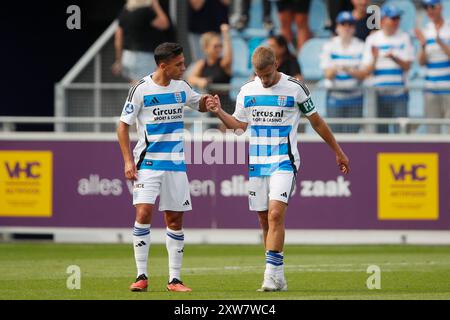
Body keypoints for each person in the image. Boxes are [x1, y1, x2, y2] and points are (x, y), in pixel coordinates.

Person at [206, 46, 350, 291]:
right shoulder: (247, 91)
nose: (263, 80)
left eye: (267, 75)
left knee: (275, 215)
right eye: (258, 75)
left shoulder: (295, 88)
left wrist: (338, 150)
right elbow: (239, 127)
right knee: (264, 220)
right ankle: (279, 277)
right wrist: (219, 111)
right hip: (257, 162)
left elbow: (317, 122)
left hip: (284, 161)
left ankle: (269, 276)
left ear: (276, 66)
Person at [117, 43, 212, 292]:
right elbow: (123, 125)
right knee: (143, 213)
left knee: (174, 219)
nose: (183, 67)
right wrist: (128, 160)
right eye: (179, 64)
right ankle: (141, 276)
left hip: (176, 164)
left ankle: (174, 280)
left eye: (183, 62)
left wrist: (208, 102)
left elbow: (197, 104)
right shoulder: (141, 89)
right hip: (148, 162)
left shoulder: (182, 87)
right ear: (163, 65)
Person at [360, 4, 414, 133]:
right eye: (393, 18)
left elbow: (407, 66)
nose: (396, 22)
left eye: (398, 18)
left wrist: (394, 58)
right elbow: (366, 70)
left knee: (401, 132)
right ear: (383, 20)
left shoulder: (404, 38)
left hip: (399, 95)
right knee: (380, 133)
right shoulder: (372, 39)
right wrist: (375, 58)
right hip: (378, 95)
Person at [320, 11, 365, 133]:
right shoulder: (329, 45)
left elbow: (363, 74)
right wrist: (348, 68)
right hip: (335, 97)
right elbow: (328, 74)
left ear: (354, 28)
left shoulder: (361, 46)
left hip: (355, 97)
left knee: (353, 135)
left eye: (350, 24)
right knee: (335, 135)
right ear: (337, 27)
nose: (347, 28)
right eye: (343, 24)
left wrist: (345, 68)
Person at [112, 0, 170, 82]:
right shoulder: (146, 12)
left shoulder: (124, 12)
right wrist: (156, 6)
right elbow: (165, 24)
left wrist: (118, 60)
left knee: (136, 87)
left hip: (127, 56)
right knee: (145, 88)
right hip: (143, 57)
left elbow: (118, 38)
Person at [415, 0, 450, 134]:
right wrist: (423, 46)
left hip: (448, 89)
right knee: (432, 131)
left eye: (432, 7)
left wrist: (440, 43)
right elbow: (421, 62)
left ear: (440, 8)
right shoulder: (426, 30)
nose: (429, 10)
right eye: (426, 7)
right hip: (431, 89)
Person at [188, 24, 233, 113]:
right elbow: (190, 78)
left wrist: (226, 35)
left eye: (220, 46)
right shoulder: (201, 64)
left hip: (224, 108)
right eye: (215, 46)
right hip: (208, 108)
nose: (219, 49)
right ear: (206, 48)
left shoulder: (223, 63)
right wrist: (200, 81)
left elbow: (228, 59)